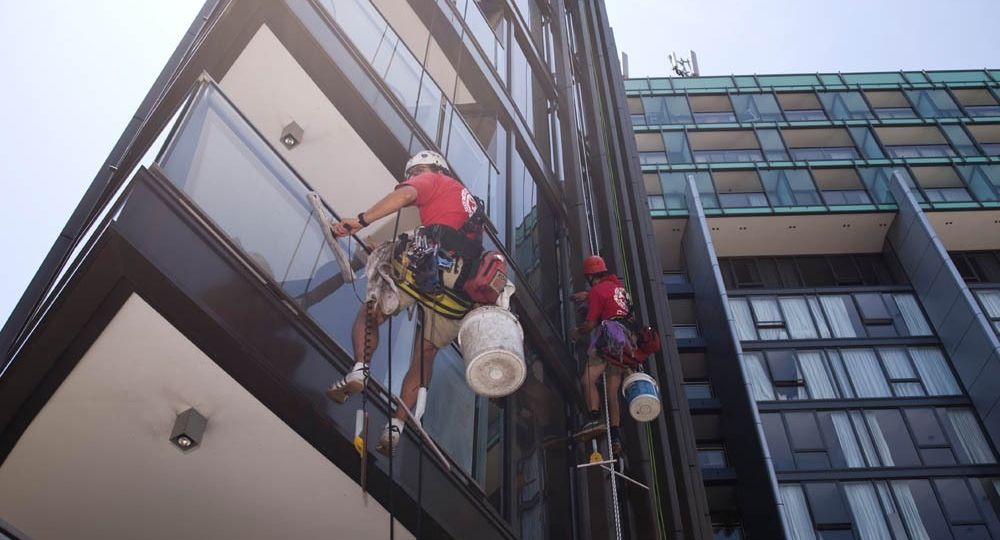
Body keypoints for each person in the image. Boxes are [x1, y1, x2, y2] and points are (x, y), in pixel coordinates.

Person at [325, 150, 483, 456]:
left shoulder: (432, 179)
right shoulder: (469, 202)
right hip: (459, 287)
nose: (410, 179)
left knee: (371, 313)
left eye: (413, 173)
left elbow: (406, 196)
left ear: (426, 168)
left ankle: (360, 369)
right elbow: (449, 232)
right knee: (426, 354)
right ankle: (397, 426)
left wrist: (359, 221)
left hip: (427, 266)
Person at [570, 255, 635, 455]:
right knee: (612, 392)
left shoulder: (597, 291)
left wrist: (577, 332)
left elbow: (590, 324)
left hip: (608, 337)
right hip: (625, 343)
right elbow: (621, 309)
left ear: (590, 276)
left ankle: (594, 419)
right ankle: (615, 438)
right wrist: (588, 296)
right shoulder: (621, 290)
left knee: (588, 378)